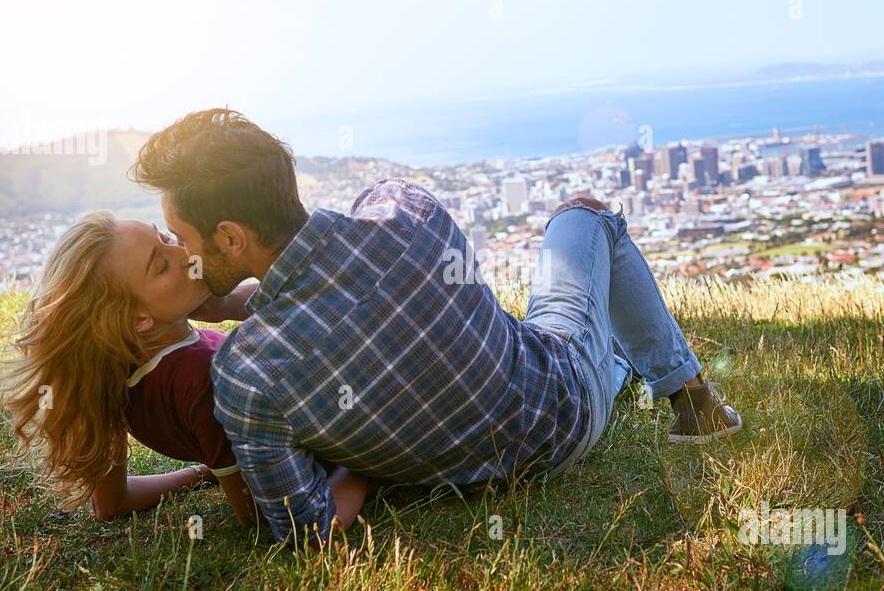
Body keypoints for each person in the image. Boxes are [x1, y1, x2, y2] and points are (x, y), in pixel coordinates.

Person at [131, 108, 741, 548]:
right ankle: (691, 399)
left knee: (587, 330)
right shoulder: (406, 211)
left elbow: (303, 531)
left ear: (232, 238)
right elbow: (336, 285)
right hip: (562, 407)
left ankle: (627, 362)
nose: (182, 254)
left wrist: (366, 461)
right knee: (583, 215)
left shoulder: (247, 374)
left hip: (481, 476)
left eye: (183, 240)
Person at [0, 211, 371, 529]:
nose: (183, 252)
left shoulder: (118, 376)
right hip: (352, 437)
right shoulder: (203, 380)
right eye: (161, 264)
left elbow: (111, 504)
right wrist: (361, 470)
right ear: (140, 319)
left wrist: (200, 473)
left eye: (165, 236)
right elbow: (262, 515)